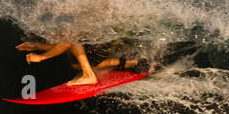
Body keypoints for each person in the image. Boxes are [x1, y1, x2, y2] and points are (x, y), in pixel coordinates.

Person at [16, 41, 149, 86]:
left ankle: (89, 76)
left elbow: (69, 42)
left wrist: (41, 57)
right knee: (79, 62)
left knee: (74, 45)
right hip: (109, 39)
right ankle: (133, 63)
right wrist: (35, 46)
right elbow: (62, 44)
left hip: (111, 40)